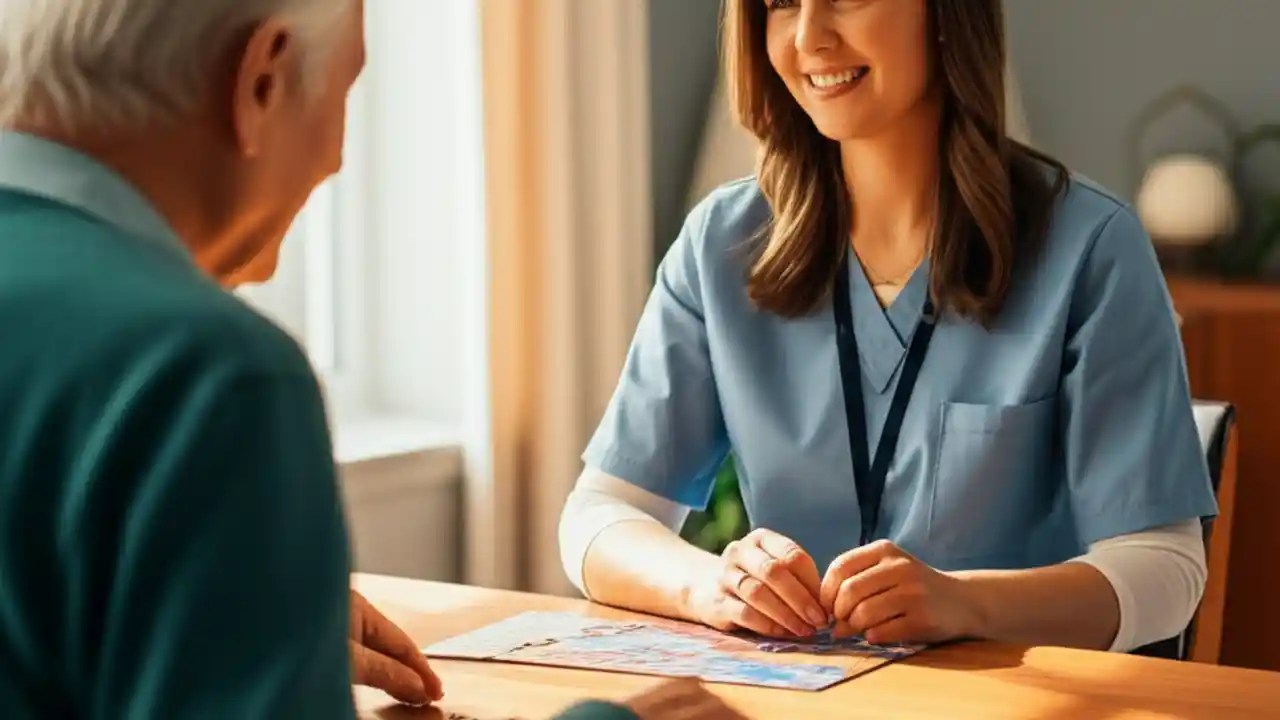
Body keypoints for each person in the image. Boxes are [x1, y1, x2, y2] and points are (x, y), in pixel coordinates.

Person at [0, 1, 740, 718]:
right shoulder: (209, 372)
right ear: (264, 77)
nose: (336, 157)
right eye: (349, 88)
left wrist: (222, 622)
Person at [560, 0, 1217, 655]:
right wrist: (711, 585)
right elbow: (598, 517)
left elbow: (1165, 569)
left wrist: (968, 602)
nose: (811, 36)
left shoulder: (1091, 248)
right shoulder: (720, 246)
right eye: (781, 5)